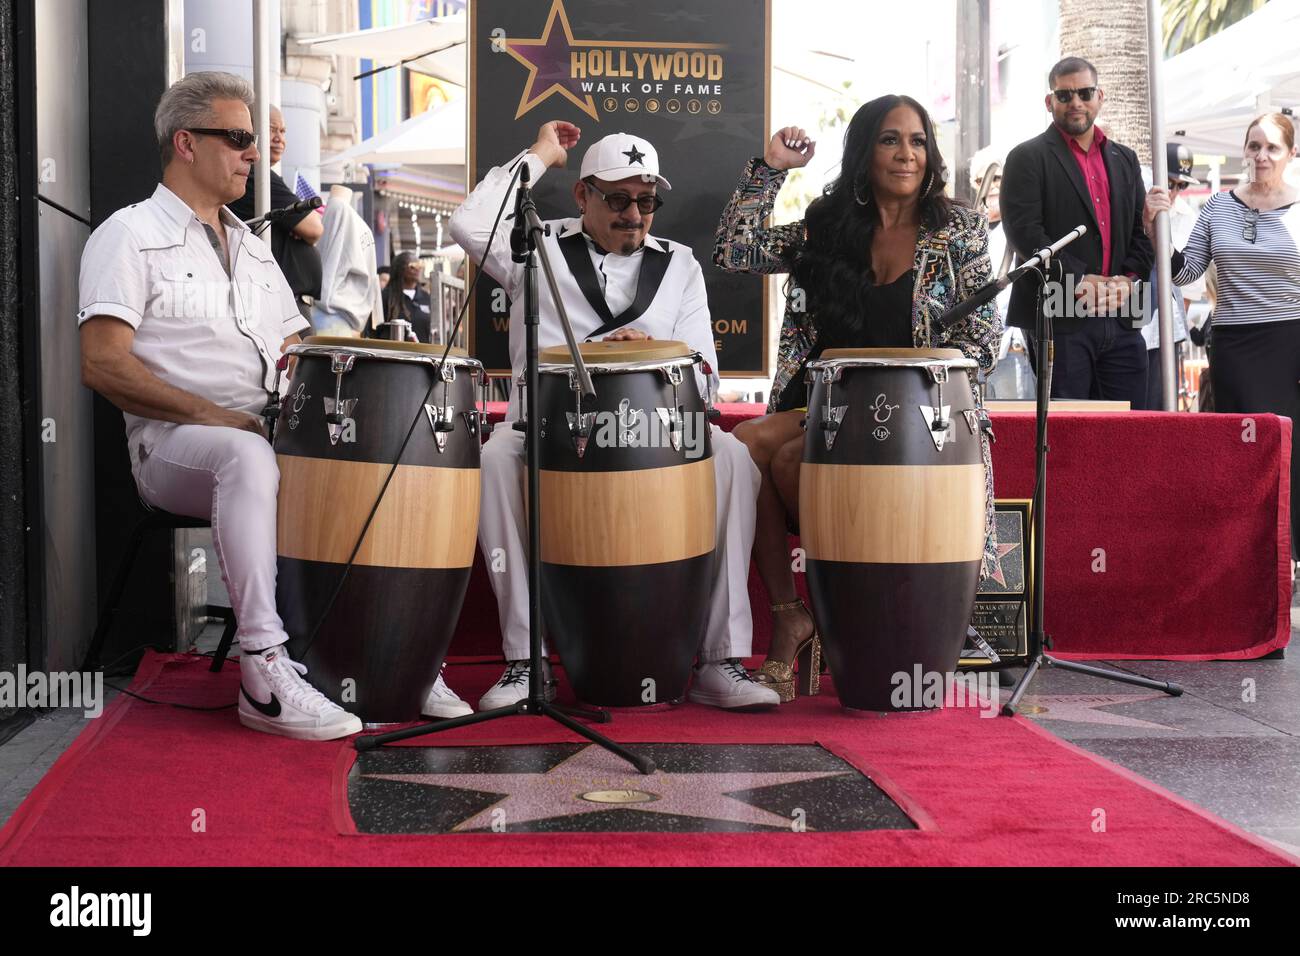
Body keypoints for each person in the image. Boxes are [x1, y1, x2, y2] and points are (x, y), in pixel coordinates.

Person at [449, 122, 779, 711]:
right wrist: (541, 155)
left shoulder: (679, 265)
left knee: (732, 458)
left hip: (656, 435)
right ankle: (525, 663)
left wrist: (643, 355)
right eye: (619, 199)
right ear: (583, 196)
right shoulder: (535, 246)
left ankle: (720, 657)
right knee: (497, 458)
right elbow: (468, 224)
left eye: (647, 201)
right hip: (546, 431)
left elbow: (705, 369)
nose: (635, 214)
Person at [77, 71, 363, 739]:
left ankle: (380, 655)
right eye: (238, 138)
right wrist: (226, 419)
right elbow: (102, 364)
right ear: (185, 143)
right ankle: (262, 670)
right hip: (174, 446)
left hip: (261, 436)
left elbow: (299, 355)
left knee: (372, 450)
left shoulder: (257, 250)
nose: (254, 152)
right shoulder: (128, 234)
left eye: (256, 139)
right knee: (244, 454)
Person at [714, 95, 1002, 700]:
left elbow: (981, 345)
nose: (906, 154)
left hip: (920, 422)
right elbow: (734, 252)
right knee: (742, 447)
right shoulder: (829, 227)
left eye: (918, 141)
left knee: (787, 462)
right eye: (890, 140)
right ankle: (798, 609)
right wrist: (770, 170)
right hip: (825, 408)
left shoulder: (960, 230)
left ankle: (820, 615)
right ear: (864, 151)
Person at [1145, 111, 1300, 549]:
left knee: (1293, 451)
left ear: (1291, 153)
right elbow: (1186, 272)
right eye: (1254, 146)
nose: (1262, 155)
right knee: (1244, 451)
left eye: (1272, 147)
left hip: (1290, 341)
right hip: (1233, 344)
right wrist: (1156, 231)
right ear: (1244, 151)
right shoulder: (1218, 207)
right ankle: (1250, 554)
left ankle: (1290, 553)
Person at [1000, 56, 1154, 406]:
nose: (1076, 103)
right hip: (1060, 314)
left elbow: (1140, 231)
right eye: (1065, 95)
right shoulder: (1026, 157)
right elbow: (1024, 233)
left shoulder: (1125, 158)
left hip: (1123, 312)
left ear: (1100, 96)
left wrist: (1128, 280)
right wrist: (1079, 280)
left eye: (1084, 93)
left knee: (1128, 432)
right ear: (1049, 101)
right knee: (1068, 438)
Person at [227, 105, 323, 320]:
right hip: (279, 302)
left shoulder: (262, 177)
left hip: (284, 300)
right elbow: (314, 228)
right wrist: (297, 226)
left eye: (283, 131)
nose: (279, 138)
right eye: (272, 129)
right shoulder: (258, 176)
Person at [1137, 142, 1198, 410]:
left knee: (1163, 409)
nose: (1174, 192)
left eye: (1181, 186)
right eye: (1170, 183)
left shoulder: (1187, 216)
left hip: (1165, 328)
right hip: (1130, 324)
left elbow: (1189, 282)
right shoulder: (1135, 200)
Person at [370, 251, 432, 341]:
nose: (418, 269)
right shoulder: (386, 297)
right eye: (413, 266)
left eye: (420, 265)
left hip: (422, 353)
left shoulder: (426, 297)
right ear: (400, 269)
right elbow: (374, 331)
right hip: (393, 353)